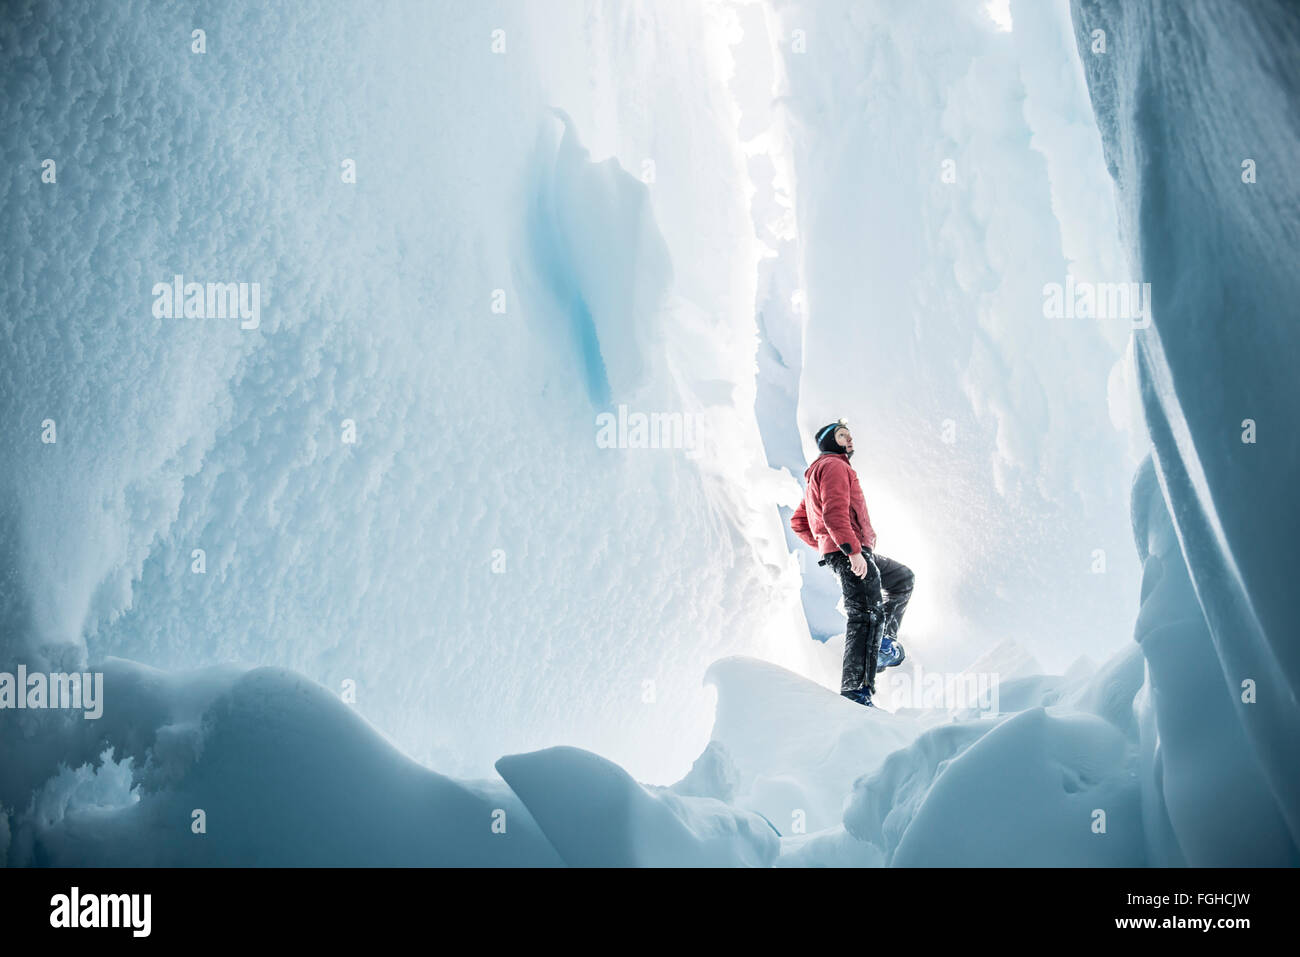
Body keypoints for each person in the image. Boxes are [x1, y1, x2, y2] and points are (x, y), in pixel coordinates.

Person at [790, 419, 914, 707]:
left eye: (850, 435)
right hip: (853, 551)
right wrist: (848, 550)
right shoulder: (834, 466)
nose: (850, 439)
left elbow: (799, 522)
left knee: (901, 578)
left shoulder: (817, 475)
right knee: (866, 616)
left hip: (852, 550)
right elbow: (834, 513)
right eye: (842, 435)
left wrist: (828, 546)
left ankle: (883, 644)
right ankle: (856, 694)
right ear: (829, 442)